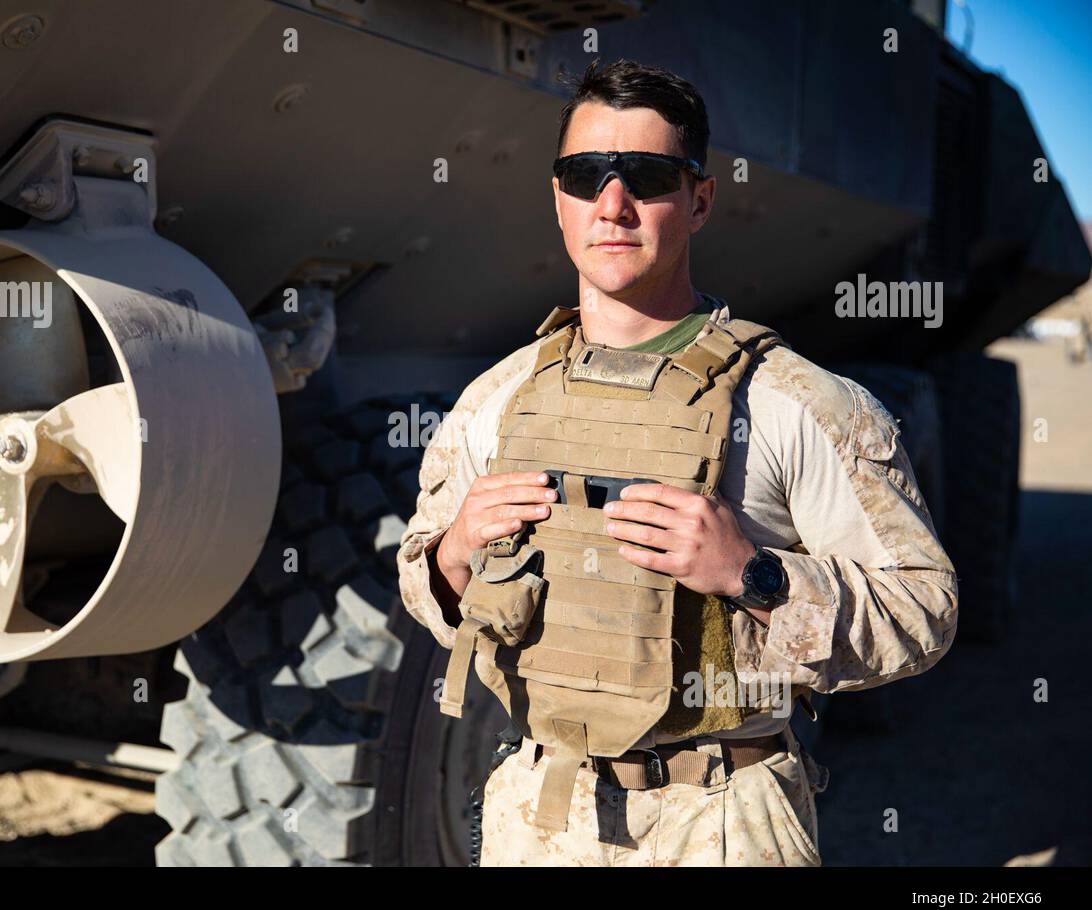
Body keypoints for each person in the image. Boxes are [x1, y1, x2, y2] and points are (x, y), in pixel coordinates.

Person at [397, 59, 959, 866]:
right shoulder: (497, 400)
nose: (613, 203)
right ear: (558, 198)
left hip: (723, 820)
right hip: (540, 816)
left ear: (698, 200)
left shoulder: (796, 404)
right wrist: (451, 558)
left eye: (649, 176)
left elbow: (923, 611)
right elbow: (423, 581)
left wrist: (752, 575)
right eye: (586, 175)